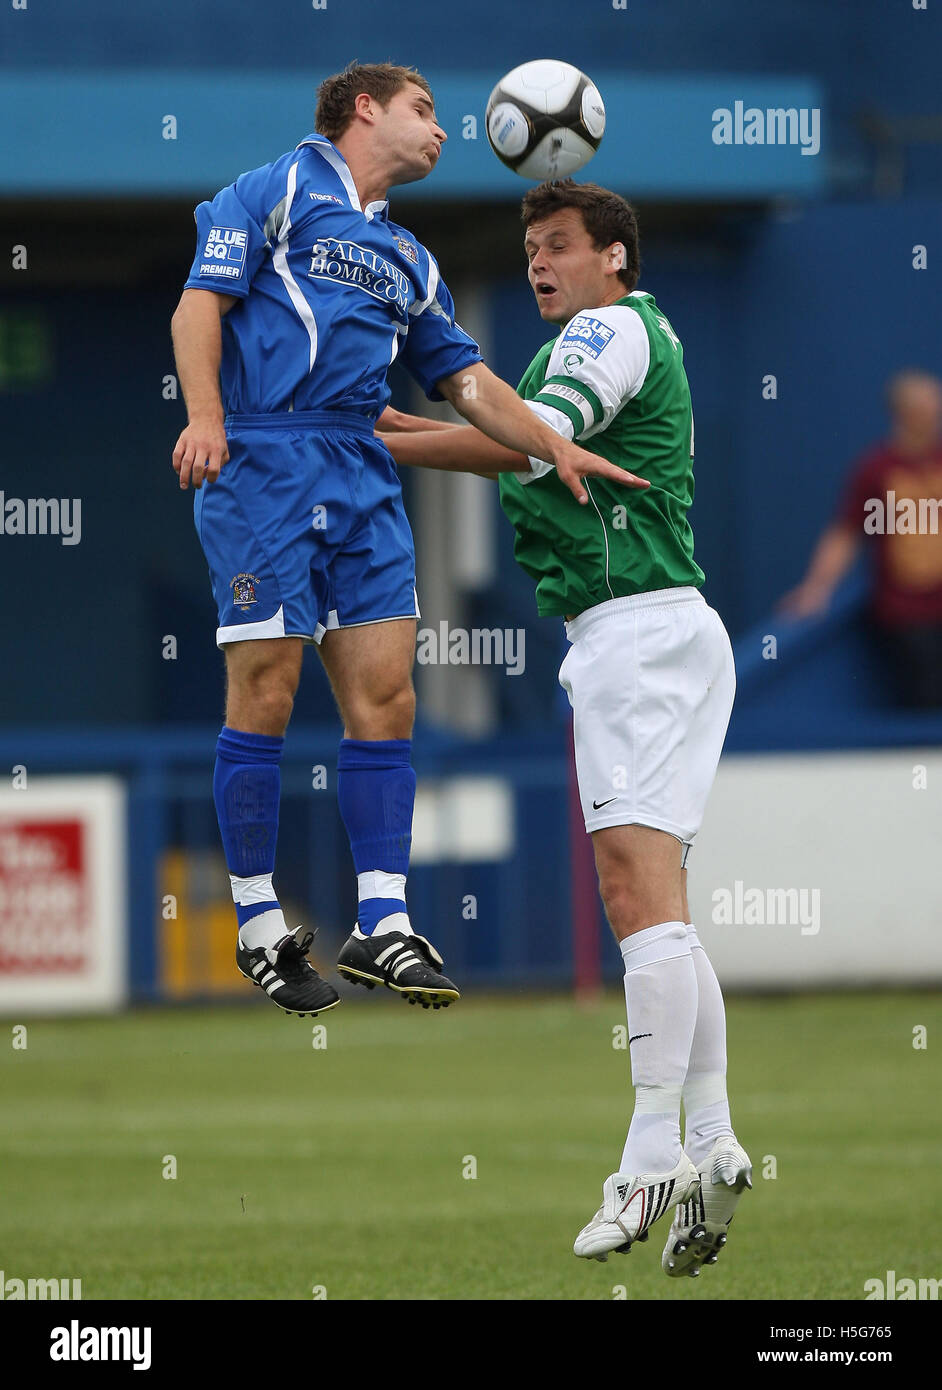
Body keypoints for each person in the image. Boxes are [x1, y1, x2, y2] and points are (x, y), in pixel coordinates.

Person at [170, 65, 639, 1021]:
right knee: (267, 684)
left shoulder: (410, 258)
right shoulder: (275, 189)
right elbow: (197, 305)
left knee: (388, 694)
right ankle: (257, 920)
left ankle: (381, 922)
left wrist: (555, 444)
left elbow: (467, 385)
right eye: (425, 111)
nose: (442, 130)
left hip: (360, 471)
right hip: (265, 456)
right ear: (365, 110)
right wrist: (208, 416)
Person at [380, 179, 751, 1275]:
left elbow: (538, 436)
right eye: (530, 248)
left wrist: (412, 427)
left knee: (636, 902)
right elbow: (522, 445)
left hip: (634, 637)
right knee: (665, 907)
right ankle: (715, 1136)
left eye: (559, 246)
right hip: (666, 629)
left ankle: (645, 1160)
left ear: (613, 260)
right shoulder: (633, 329)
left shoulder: (604, 330)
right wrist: (407, 433)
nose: (539, 263)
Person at [780, 370, 942, 708]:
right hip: (905, 615)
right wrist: (816, 589)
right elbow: (845, 533)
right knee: (923, 706)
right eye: (924, 408)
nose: (932, 415)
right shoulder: (876, 469)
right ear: (903, 413)